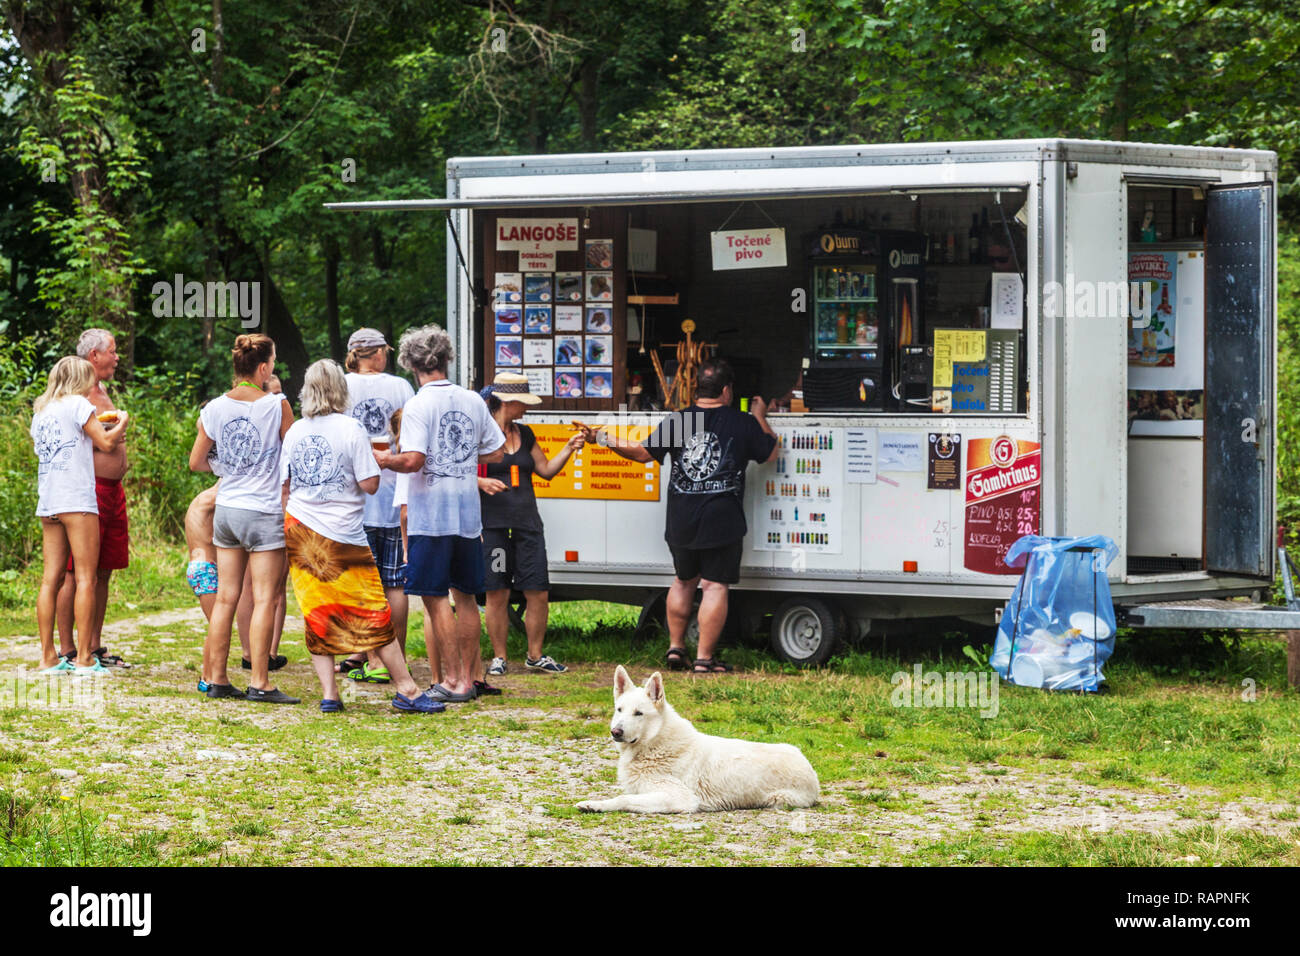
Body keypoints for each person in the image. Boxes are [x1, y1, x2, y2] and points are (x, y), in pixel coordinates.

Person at [582, 358, 777, 674]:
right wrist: (760, 416)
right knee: (714, 586)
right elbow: (770, 453)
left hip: (681, 518)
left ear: (697, 388)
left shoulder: (681, 421)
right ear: (727, 390)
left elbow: (641, 454)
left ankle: (675, 648)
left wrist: (600, 437)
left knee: (684, 581)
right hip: (721, 520)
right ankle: (703, 659)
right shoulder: (741, 422)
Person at [280, 360, 442, 713]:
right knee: (372, 610)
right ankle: (407, 689)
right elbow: (369, 486)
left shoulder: (294, 431)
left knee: (317, 612)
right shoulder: (352, 429)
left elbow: (285, 486)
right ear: (341, 389)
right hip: (343, 536)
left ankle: (329, 695)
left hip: (301, 531)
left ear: (307, 390)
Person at [377, 324, 504, 703]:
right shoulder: (472, 400)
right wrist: (461, 461)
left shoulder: (417, 405)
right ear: (446, 359)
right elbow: (496, 452)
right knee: (465, 596)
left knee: (434, 597)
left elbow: (414, 460)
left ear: (410, 364)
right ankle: (468, 676)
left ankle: (453, 681)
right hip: (467, 515)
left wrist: (385, 458)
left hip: (431, 515)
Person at [188, 334, 296, 703]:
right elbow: (293, 457)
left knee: (226, 598)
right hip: (263, 510)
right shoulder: (277, 404)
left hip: (228, 509)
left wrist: (228, 466)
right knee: (265, 597)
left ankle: (216, 677)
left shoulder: (214, 408)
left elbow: (197, 462)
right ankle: (260, 682)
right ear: (263, 368)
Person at [476, 372, 584, 676]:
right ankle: (499, 657)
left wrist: (569, 447)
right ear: (508, 402)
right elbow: (458, 475)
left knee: (537, 590)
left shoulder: (526, 433)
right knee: (497, 592)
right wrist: (480, 481)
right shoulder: (480, 435)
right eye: (523, 403)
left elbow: (546, 470)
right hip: (493, 526)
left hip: (528, 525)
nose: (527, 408)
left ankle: (535, 655)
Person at [32, 356, 129, 673]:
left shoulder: (42, 411)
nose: (92, 386)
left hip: (49, 499)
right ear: (78, 380)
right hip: (77, 498)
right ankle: (85, 657)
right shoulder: (79, 405)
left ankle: (49, 656)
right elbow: (104, 442)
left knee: (51, 579)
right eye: (88, 379)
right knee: (86, 577)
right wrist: (122, 423)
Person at [340, 327, 415, 684]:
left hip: (353, 498)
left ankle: (372, 654)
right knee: (395, 584)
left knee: (362, 583)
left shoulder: (340, 386)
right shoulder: (400, 387)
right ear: (379, 353)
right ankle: (390, 655)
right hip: (393, 494)